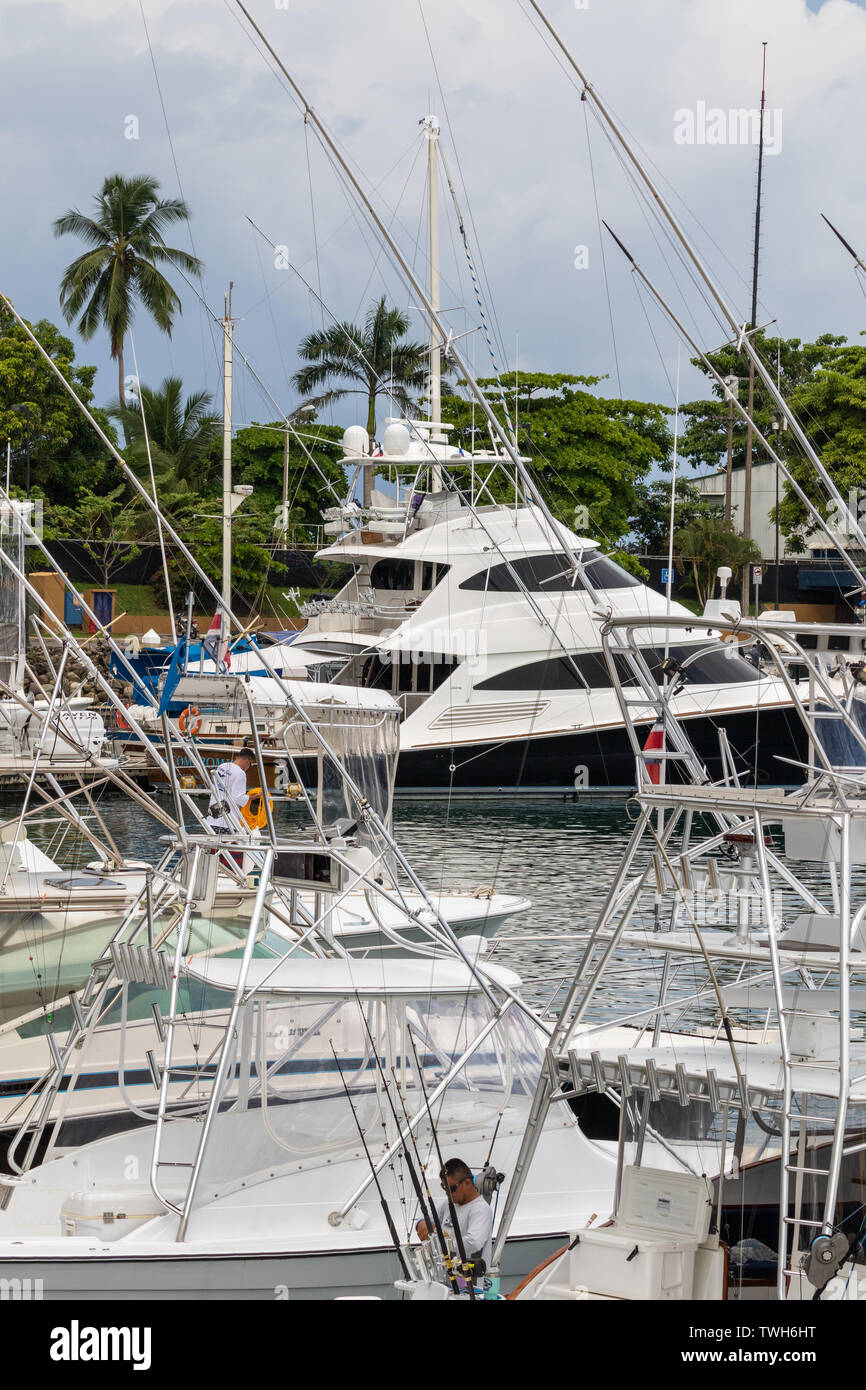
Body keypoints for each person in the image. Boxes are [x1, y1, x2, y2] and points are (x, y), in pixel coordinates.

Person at [416, 1158, 493, 1281]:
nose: (448, 1193)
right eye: (444, 1188)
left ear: (467, 1182)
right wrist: (421, 1224)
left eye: (451, 1188)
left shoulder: (481, 1209)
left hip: (470, 1286)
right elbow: (428, 1218)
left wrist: (442, 1243)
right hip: (446, 1282)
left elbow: (474, 1243)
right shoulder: (448, 1203)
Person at [206, 748, 254, 836]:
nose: (248, 768)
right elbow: (238, 798)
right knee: (226, 848)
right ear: (248, 761)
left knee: (213, 847)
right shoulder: (240, 773)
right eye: (250, 765)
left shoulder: (222, 766)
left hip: (211, 819)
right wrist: (252, 797)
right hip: (227, 823)